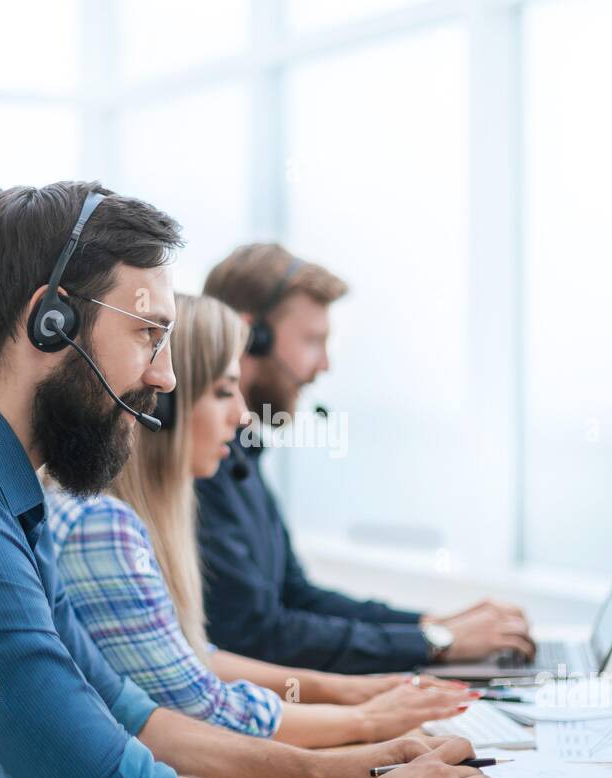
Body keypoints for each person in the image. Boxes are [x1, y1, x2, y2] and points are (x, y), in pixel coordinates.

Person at [0, 181, 505, 778]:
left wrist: (345, 772)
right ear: (49, 323)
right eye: (149, 333)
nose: (165, 377)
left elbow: (131, 718)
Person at [45, 293, 478, 754]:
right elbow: (204, 705)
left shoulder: (147, 516)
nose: (244, 416)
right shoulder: (102, 527)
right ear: (160, 406)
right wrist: (365, 720)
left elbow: (197, 659)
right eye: (223, 391)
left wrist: (353, 693)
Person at [196, 243, 535, 674]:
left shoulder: (241, 455)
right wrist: (436, 642)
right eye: (313, 341)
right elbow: (258, 636)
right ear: (248, 337)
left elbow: (297, 595)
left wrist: (433, 625)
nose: (324, 365)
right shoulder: (200, 467)